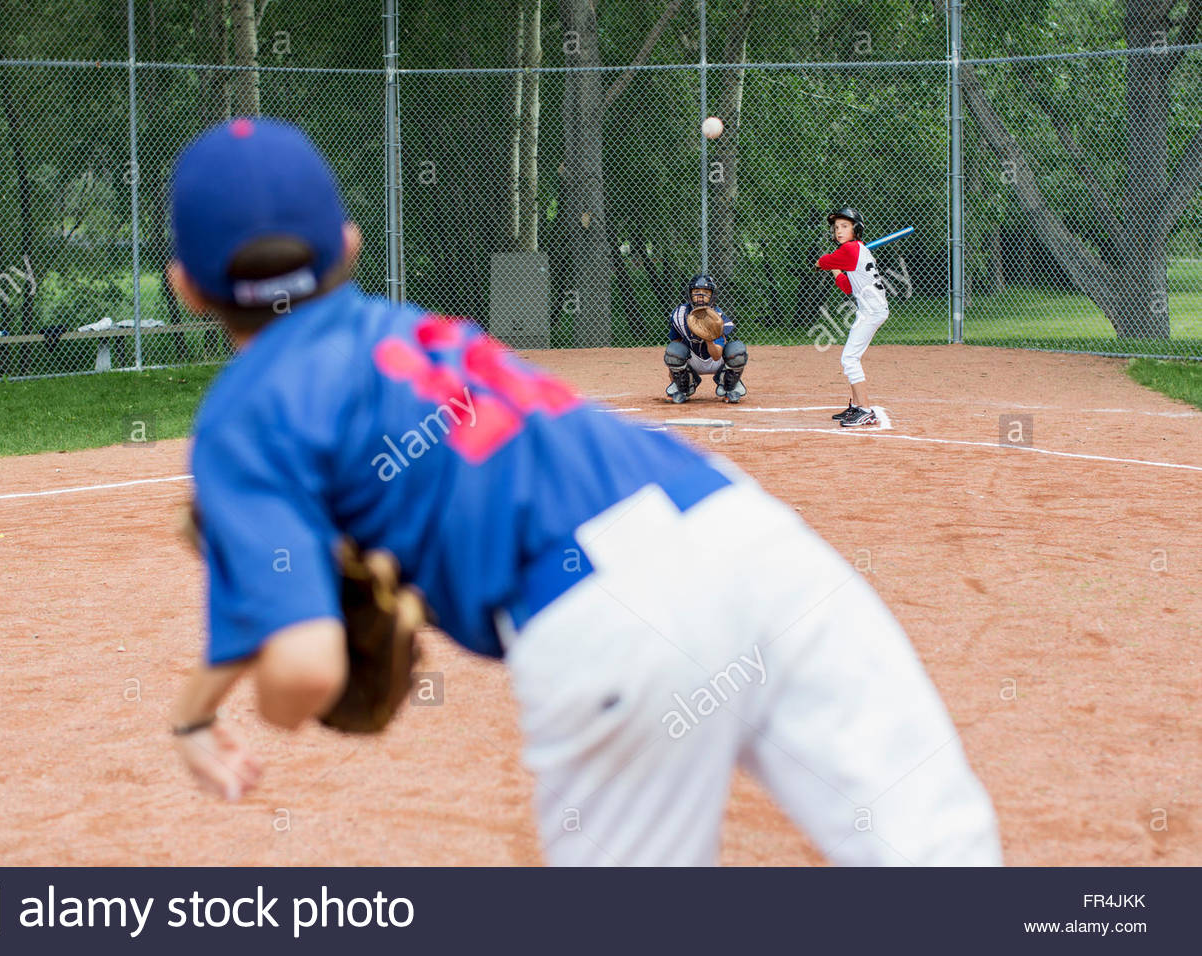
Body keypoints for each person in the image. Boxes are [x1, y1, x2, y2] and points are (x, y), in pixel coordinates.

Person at [167, 117, 1001, 866]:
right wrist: (196, 707)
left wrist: (267, 703)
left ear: (185, 286)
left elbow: (305, 669)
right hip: (744, 533)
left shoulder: (242, 420)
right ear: (347, 246)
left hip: (598, 614)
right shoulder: (413, 331)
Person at [816, 207, 887, 427]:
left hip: (872, 311)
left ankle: (865, 410)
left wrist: (823, 263)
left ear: (856, 229)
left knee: (849, 358)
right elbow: (847, 287)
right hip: (868, 309)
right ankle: (857, 406)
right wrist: (834, 267)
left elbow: (825, 260)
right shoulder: (857, 250)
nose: (839, 231)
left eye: (845, 226)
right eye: (836, 227)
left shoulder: (850, 249)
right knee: (851, 357)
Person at [663, 274, 747, 405]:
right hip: (692, 359)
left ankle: (728, 387)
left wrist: (709, 339)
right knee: (673, 350)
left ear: (712, 295)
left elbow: (716, 355)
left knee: (737, 351)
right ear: (690, 294)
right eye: (696, 292)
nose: (701, 296)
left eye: (705, 292)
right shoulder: (679, 314)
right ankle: (683, 388)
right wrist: (673, 374)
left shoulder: (717, 317)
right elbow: (675, 342)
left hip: (715, 360)